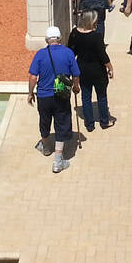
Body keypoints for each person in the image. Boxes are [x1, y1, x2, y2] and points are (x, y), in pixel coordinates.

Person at [28, 25, 80, 174]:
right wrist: (76, 87)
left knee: (44, 120)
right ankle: (58, 161)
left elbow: (33, 76)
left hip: (44, 96)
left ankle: (45, 148)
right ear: (59, 38)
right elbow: (76, 74)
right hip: (61, 93)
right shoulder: (68, 53)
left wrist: (30, 93)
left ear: (47, 40)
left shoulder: (40, 54)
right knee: (61, 123)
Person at [69, 10, 115, 131]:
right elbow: (102, 55)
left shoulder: (74, 33)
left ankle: (89, 124)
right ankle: (104, 121)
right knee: (102, 96)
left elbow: (71, 53)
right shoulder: (96, 36)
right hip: (97, 70)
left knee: (86, 97)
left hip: (82, 69)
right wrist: (110, 67)